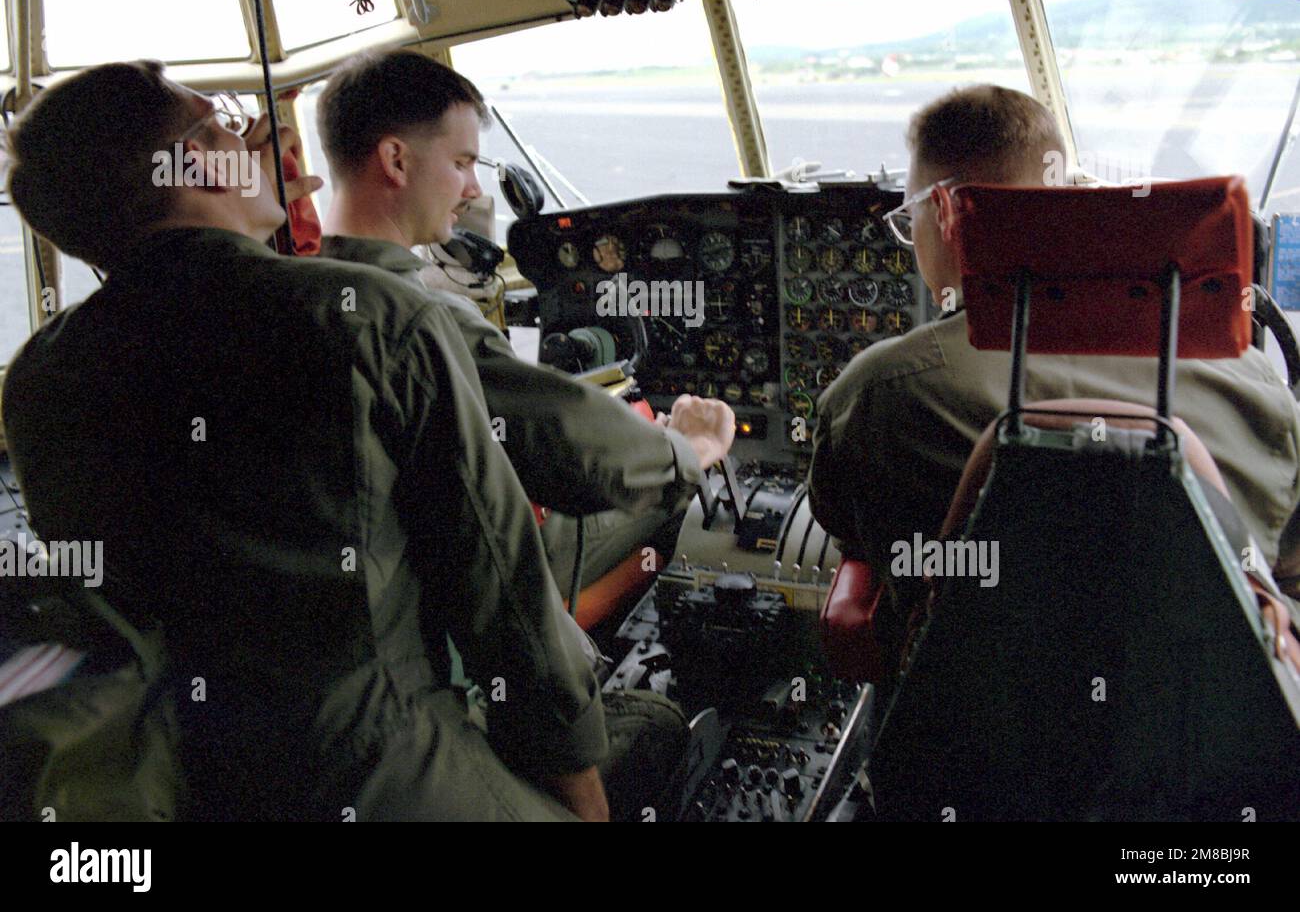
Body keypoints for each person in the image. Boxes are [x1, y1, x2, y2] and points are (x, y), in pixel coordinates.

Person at [1, 60, 734, 821]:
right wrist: (580, 794)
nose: (256, 135)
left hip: (180, 776)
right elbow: (499, 587)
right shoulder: (375, 318)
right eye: (225, 121)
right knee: (651, 727)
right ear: (193, 162)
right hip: (378, 767)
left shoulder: (39, 378)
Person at [808, 84, 1300, 623]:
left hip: (979, 701)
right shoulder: (1251, 378)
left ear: (945, 210)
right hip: (1215, 701)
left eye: (911, 218)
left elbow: (849, 531)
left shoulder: (878, 395)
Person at [312, 49, 703, 597]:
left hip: (374, 572)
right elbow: (567, 444)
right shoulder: (424, 319)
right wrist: (685, 451)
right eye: (461, 162)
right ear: (396, 161)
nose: (473, 188)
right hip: (454, 580)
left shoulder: (299, 290)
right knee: (681, 504)